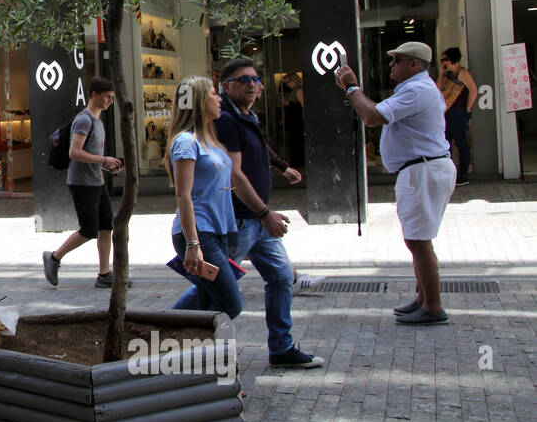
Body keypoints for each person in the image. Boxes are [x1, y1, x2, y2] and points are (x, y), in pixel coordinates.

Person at [336, 42, 454, 325]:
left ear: (414, 64)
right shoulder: (415, 89)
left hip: (422, 170)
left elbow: (371, 116)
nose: (390, 65)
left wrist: (353, 87)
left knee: (418, 240)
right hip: (420, 169)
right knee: (417, 240)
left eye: (396, 60)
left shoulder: (417, 90)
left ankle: (433, 306)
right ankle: (423, 299)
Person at [215, 59, 323, 368]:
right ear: (227, 87)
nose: (252, 83)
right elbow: (234, 176)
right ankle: (195, 348)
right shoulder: (226, 122)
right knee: (217, 290)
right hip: (240, 219)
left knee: (281, 276)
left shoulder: (249, 118)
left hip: (258, 220)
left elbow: (261, 149)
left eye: (255, 79)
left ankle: (281, 348)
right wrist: (264, 213)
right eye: (243, 79)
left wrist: (283, 166)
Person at [165, 76, 242, 320]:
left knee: (206, 300)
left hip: (217, 233)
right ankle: (166, 339)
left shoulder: (210, 141)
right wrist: (193, 244)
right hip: (200, 234)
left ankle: (166, 341)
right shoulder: (186, 142)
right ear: (198, 101)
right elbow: (183, 195)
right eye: (213, 94)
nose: (219, 99)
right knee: (231, 304)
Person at [42, 78, 125, 288]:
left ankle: (104, 274)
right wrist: (104, 160)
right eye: (107, 97)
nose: (110, 101)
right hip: (81, 183)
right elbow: (74, 152)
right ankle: (54, 257)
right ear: (94, 94)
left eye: (112, 98)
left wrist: (106, 165)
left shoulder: (98, 121)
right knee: (89, 229)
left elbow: (90, 153)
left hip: (96, 181)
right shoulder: (84, 120)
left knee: (106, 227)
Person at [437, 47, 478, 185]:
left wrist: (468, 108)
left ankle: (463, 174)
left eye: (445, 59)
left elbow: (473, 90)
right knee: (446, 143)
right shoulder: (449, 74)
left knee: (461, 143)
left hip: (458, 112)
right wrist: (441, 74)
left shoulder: (462, 73)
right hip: (448, 112)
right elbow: (438, 90)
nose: (443, 62)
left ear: (452, 59)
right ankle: (449, 173)